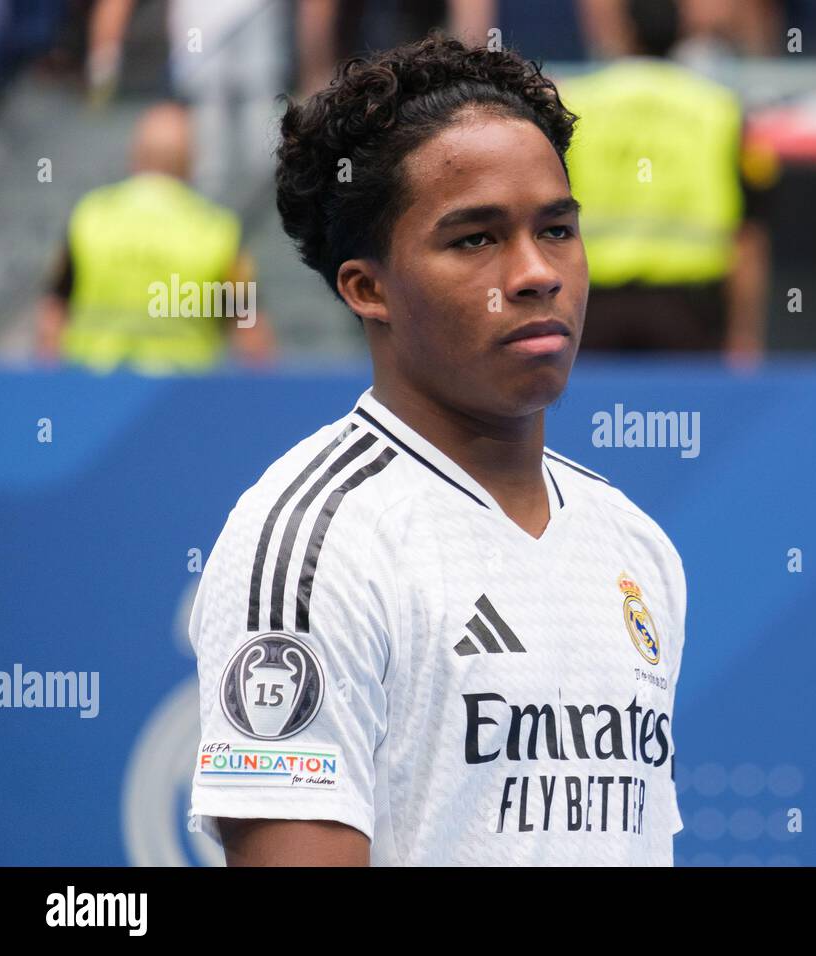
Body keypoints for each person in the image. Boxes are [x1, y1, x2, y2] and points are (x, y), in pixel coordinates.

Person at [186, 33, 687, 866]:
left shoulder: (636, 545)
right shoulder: (317, 544)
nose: (537, 274)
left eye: (557, 229)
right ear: (367, 288)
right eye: (475, 240)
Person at [557, 0, 771, 361]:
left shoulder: (574, 103)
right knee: (686, 417)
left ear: (625, 31)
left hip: (592, 309)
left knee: (598, 417)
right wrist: (745, 336)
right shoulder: (722, 109)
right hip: (689, 313)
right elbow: (748, 236)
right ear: (682, 33)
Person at [37, 101, 275, 373]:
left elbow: (52, 316)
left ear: (136, 155)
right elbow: (250, 333)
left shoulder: (89, 217)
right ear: (191, 161)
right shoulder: (219, 231)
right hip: (182, 398)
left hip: (94, 393)